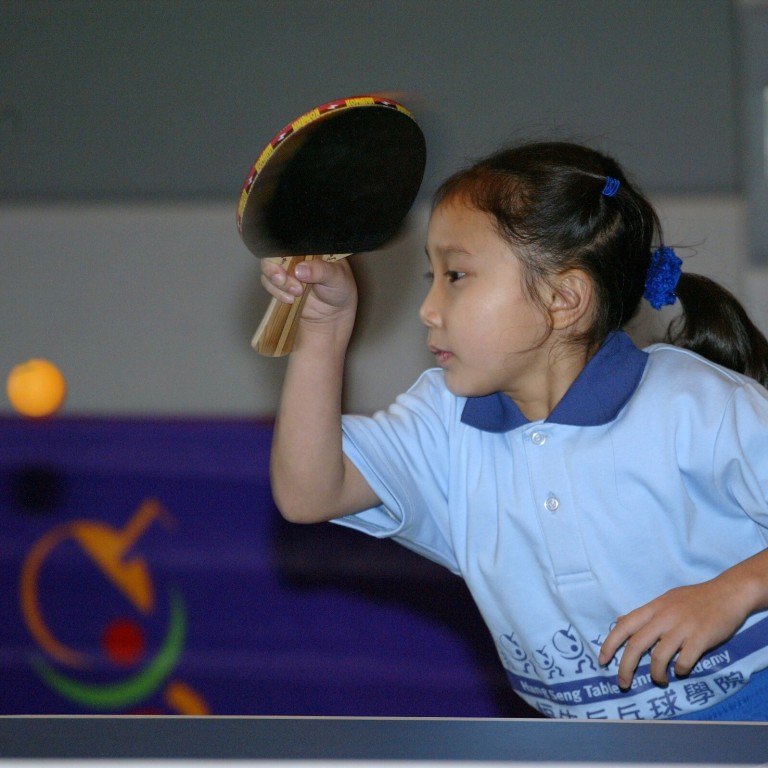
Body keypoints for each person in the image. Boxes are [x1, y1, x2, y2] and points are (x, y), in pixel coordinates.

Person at [260, 140, 768, 721]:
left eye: (456, 275)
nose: (428, 308)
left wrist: (732, 591)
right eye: (432, 276)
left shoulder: (697, 406)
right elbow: (308, 494)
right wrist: (322, 335)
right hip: (585, 748)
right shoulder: (443, 422)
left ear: (563, 298)